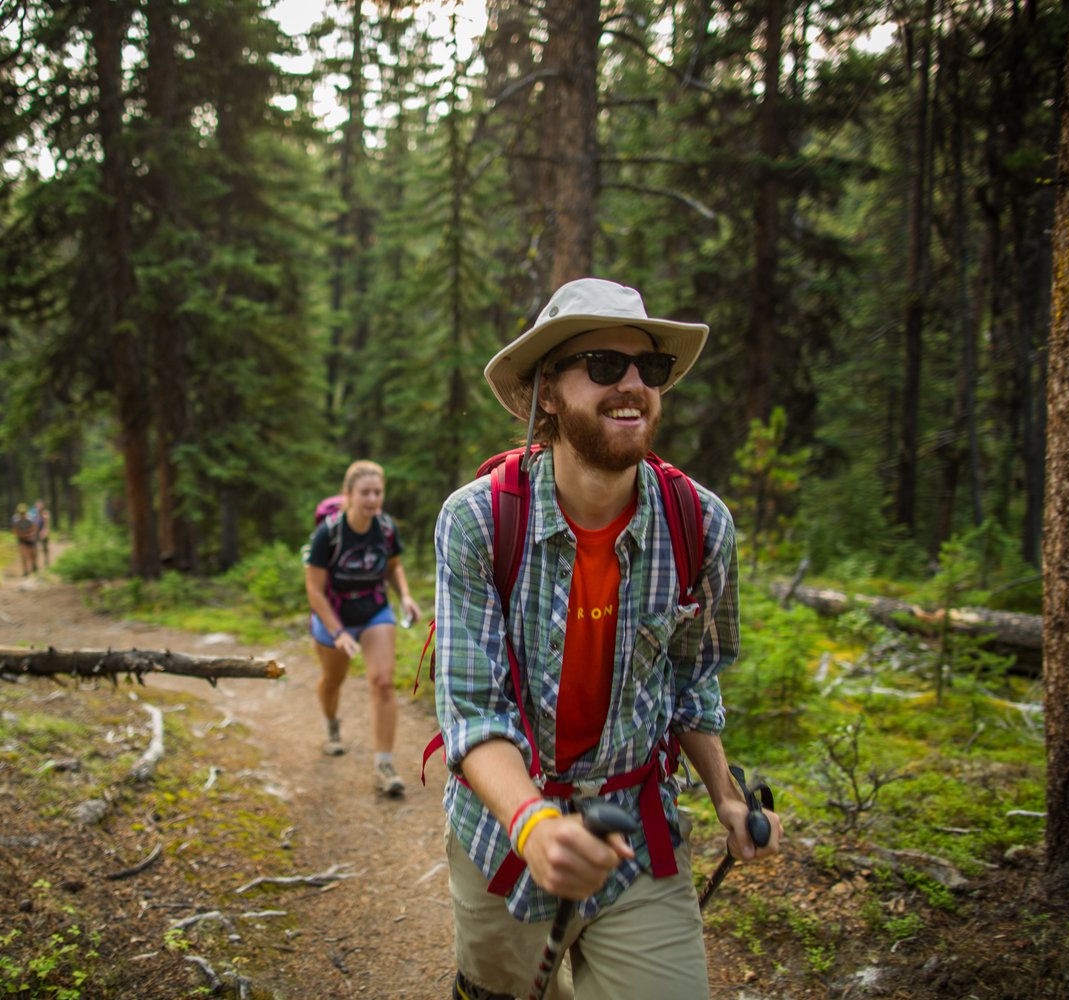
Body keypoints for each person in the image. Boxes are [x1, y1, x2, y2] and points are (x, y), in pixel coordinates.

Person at [432, 277, 782, 999]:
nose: (631, 385)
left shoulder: (701, 525)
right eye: (602, 365)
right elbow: (472, 711)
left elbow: (691, 684)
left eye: (648, 369)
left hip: (638, 836)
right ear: (549, 393)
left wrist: (728, 797)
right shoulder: (476, 522)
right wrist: (534, 826)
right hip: (502, 836)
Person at [304, 460, 423, 797]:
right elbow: (314, 589)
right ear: (349, 495)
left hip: (374, 611)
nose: (372, 499)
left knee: (383, 683)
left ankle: (384, 765)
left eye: (378, 492)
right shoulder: (329, 533)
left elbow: (393, 568)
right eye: (365, 492)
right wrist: (338, 632)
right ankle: (332, 726)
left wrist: (406, 597)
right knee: (333, 680)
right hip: (334, 614)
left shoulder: (385, 528)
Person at [12, 503, 39, 576]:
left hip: (30, 537)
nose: (22, 514)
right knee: (23, 554)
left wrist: (29, 534)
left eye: (23, 513)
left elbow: (35, 528)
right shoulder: (15, 519)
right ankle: (25, 570)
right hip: (21, 538)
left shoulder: (31, 518)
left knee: (32, 554)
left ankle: (34, 565)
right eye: (21, 513)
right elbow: (14, 530)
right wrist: (20, 535)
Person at [31, 498, 51, 566]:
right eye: (37, 505)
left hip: (43, 532)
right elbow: (33, 524)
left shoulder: (45, 513)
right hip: (36, 532)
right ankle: (35, 563)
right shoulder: (34, 513)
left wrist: (45, 532)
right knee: (34, 548)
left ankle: (46, 561)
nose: (38, 506)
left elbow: (46, 524)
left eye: (40, 505)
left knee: (44, 548)